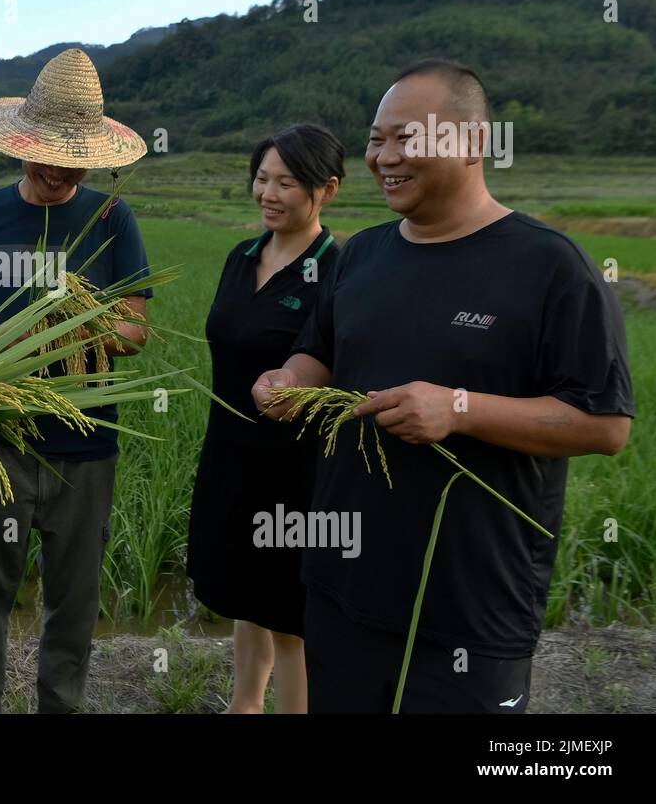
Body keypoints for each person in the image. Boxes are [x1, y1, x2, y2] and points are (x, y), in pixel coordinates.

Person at [252, 59, 634, 713]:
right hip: (342, 588)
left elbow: (603, 425)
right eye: (377, 139)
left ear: (474, 143)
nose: (385, 156)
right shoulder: (362, 254)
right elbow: (318, 350)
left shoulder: (549, 266)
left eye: (409, 138)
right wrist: (289, 380)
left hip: (468, 608)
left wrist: (458, 409)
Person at [0, 47, 151, 713]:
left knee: (74, 605)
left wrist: (81, 324)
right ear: (20, 144)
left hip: (85, 451)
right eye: (48, 153)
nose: (61, 170)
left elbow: (136, 332)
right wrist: (12, 343)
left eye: (75, 158)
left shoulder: (113, 221)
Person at [188, 124, 343, 714]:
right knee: (244, 593)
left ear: (325, 189)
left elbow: (342, 363)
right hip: (229, 451)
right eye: (261, 178)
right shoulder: (241, 256)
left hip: (297, 468)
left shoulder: (337, 268)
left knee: (288, 614)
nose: (268, 193)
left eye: (286, 182)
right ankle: (244, 704)